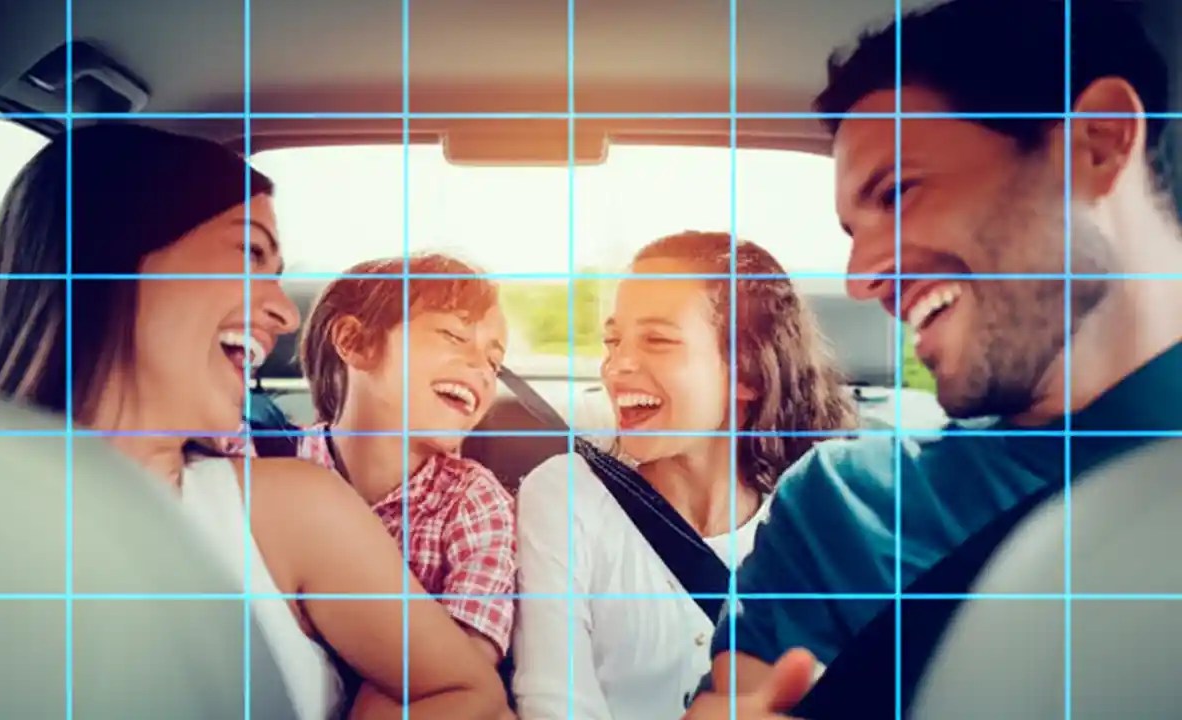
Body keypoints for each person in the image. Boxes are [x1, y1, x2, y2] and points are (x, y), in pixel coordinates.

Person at [686, 0, 1182, 717]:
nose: (861, 278)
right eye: (852, 231)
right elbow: (737, 695)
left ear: (1097, 144)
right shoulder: (845, 505)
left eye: (899, 192)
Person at [0, 123, 508, 720]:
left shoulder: (289, 508)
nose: (285, 314)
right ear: (104, 253)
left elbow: (465, 688)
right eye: (249, 253)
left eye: (496, 360)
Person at [511, 231, 857, 720]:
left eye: (657, 340)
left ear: (747, 374)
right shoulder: (567, 495)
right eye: (613, 341)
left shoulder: (811, 521)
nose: (615, 366)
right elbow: (554, 703)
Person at [295, 253, 517, 713]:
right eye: (455, 336)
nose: (480, 368)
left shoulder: (472, 502)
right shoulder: (267, 469)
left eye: (495, 363)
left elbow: (464, 670)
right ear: (355, 342)